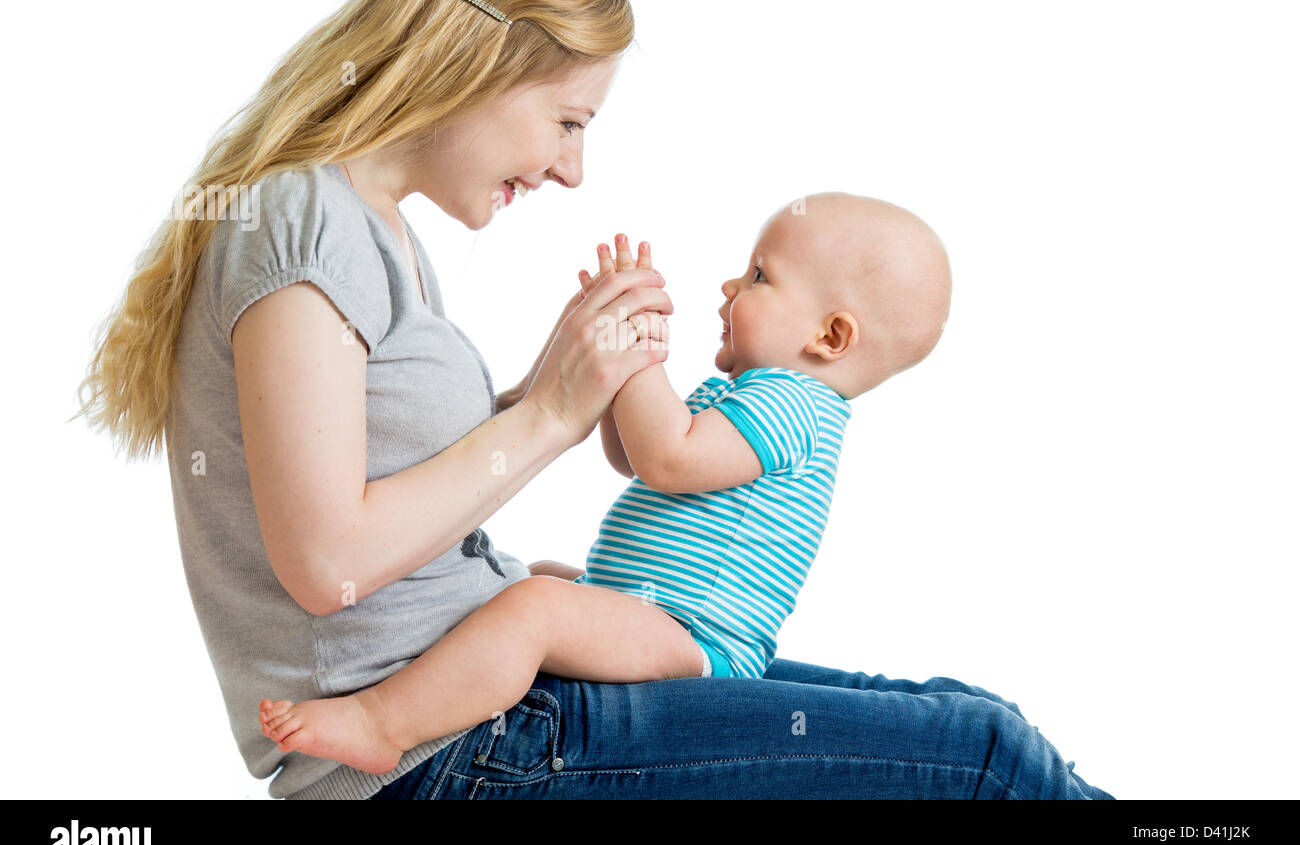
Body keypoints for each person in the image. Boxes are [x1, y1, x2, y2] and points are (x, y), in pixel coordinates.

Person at [75, 0, 1113, 799]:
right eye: (568, 119)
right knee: (983, 758)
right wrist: (549, 414)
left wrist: (555, 386)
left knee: (961, 715)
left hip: (489, 712)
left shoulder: (371, 233)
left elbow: (394, 493)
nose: (573, 169)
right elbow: (328, 562)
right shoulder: (304, 221)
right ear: (479, 62)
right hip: (453, 755)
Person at [255, 193, 959, 778]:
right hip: (652, 612)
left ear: (830, 338)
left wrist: (636, 355)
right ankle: (439, 693)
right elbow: (633, 454)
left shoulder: (793, 404)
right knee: (536, 583)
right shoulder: (752, 396)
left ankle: (384, 722)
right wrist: (620, 363)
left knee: (533, 608)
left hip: (694, 640)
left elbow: (669, 459)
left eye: (759, 278)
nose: (729, 288)